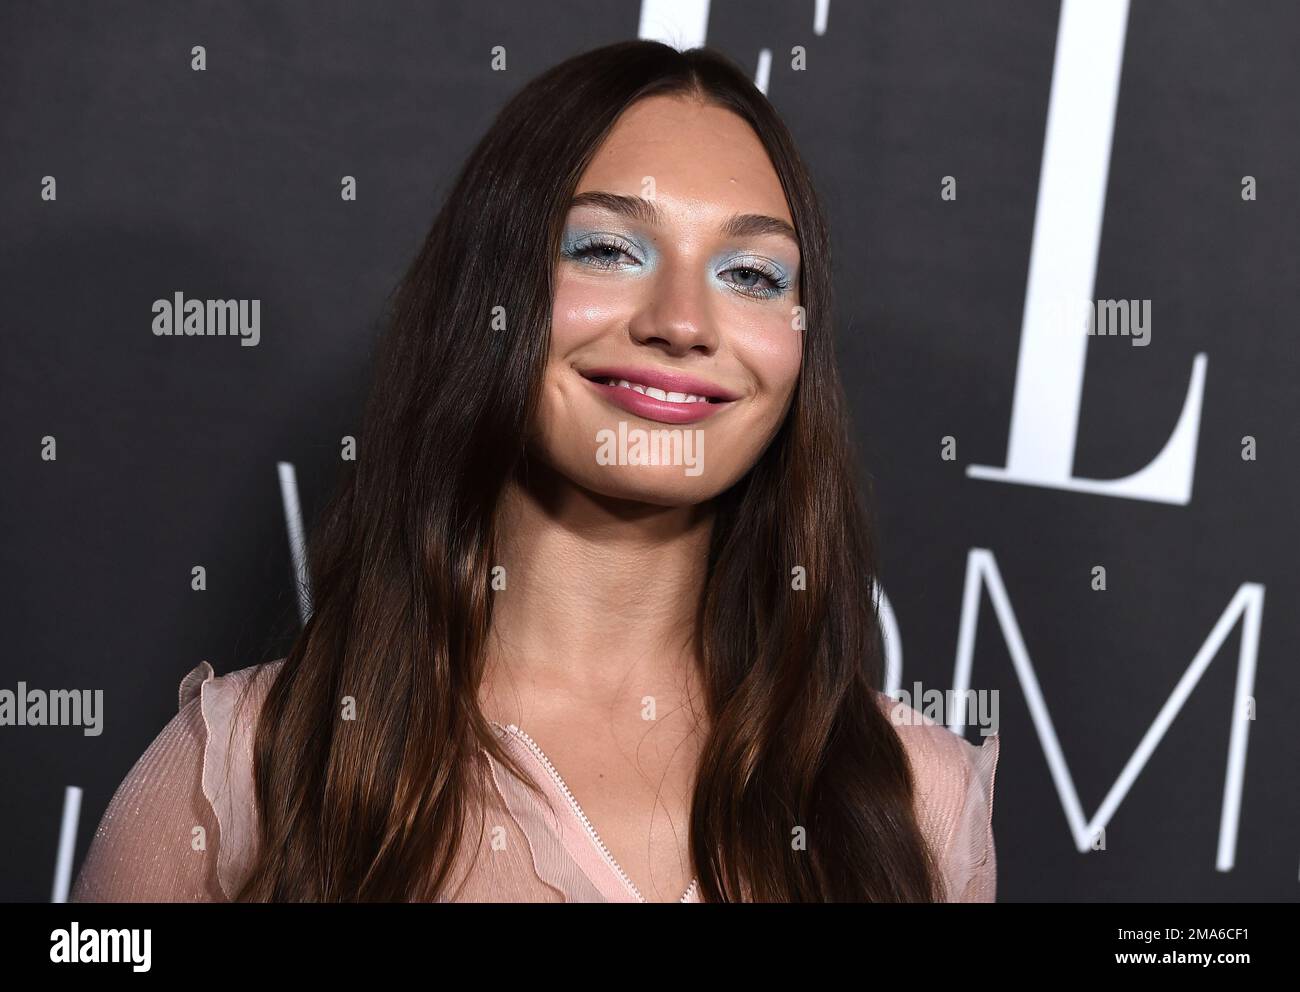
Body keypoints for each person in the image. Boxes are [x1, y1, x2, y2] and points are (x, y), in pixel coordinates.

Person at [71, 39, 998, 904]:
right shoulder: (245, 772)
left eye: (751, 274)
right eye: (607, 249)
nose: (682, 321)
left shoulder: (919, 803)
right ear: (493, 293)